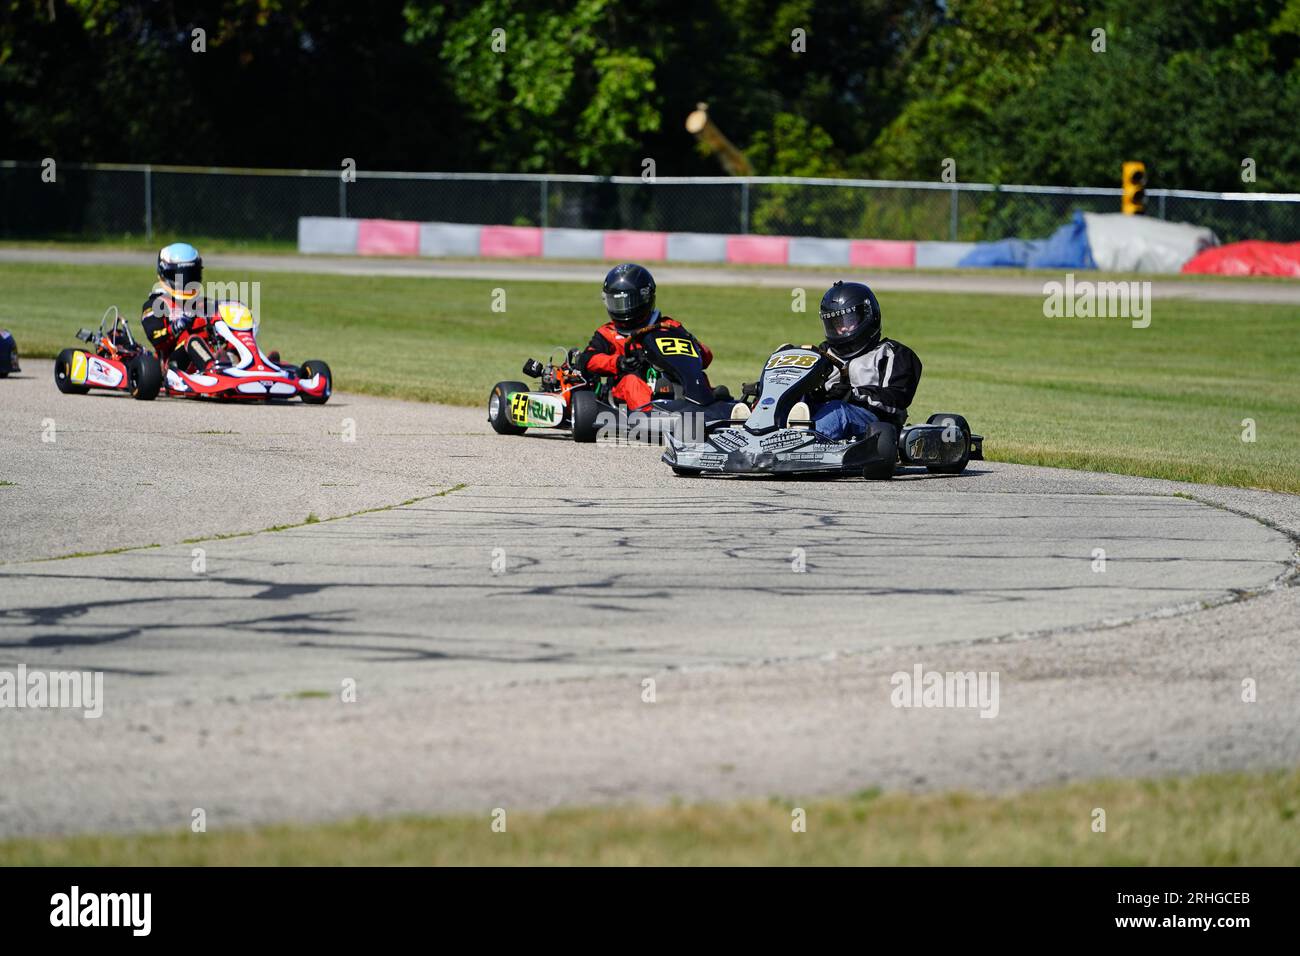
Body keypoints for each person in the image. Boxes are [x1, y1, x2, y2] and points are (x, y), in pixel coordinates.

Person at [577, 263, 714, 410]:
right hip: (625, 390)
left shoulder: (668, 326)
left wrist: (696, 349)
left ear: (645, 297)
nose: (624, 308)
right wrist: (619, 362)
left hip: (669, 385)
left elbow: (705, 358)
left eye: (630, 302)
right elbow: (588, 360)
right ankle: (651, 414)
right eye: (618, 303)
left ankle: (710, 407)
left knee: (698, 377)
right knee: (632, 381)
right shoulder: (608, 332)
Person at [804, 280, 921, 439]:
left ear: (867, 315)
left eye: (849, 321)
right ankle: (767, 435)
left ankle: (801, 441)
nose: (843, 328)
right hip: (823, 412)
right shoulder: (824, 353)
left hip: (874, 423)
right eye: (837, 323)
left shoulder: (893, 353)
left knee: (838, 411)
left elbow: (896, 400)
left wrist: (852, 394)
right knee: (798, 402)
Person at [139, 242, 218, 371]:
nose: (186, 282)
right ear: (165, 274)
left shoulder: (204, 304)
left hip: (211, 353)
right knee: (193, 341)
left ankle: (251, 367)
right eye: (180, 277)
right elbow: (156, 339)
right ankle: (213, 371)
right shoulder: (156, 305)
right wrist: (178, 325)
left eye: (191, 275)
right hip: (174, 363)